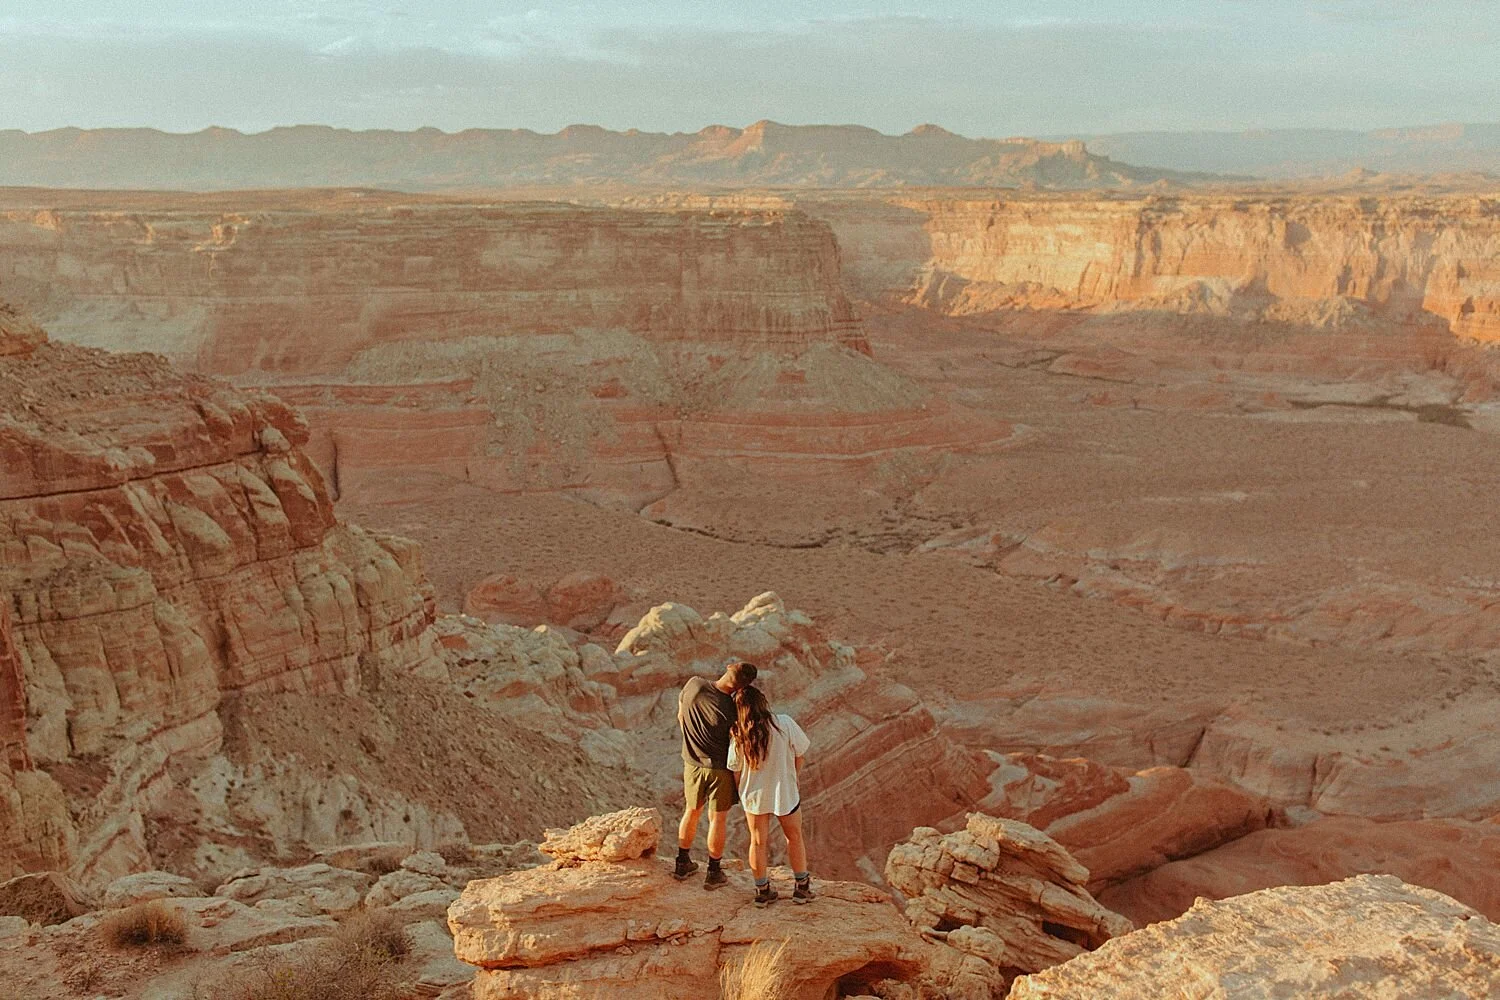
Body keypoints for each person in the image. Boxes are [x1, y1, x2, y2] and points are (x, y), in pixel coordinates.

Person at [726, 684, 813, 907]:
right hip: (785, 791)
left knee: (757, 841)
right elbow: (800, 754)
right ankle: (801, 888)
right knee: (794, 837)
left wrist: (742, 792)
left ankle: (762, 891)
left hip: (754, 795)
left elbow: (735, 770)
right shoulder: (784, 723)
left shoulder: (739, 734)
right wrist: (793, 776)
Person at [676, 660, 758, 889]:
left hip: (692, 763)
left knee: (691, 811)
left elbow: (681, 715)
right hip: (720, 770)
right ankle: (713, 872)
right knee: (718, 819)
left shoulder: (694, 684)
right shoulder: (733, 710)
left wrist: (691, 739)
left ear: (729, 667)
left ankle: (682, 863)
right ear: (743, 687)